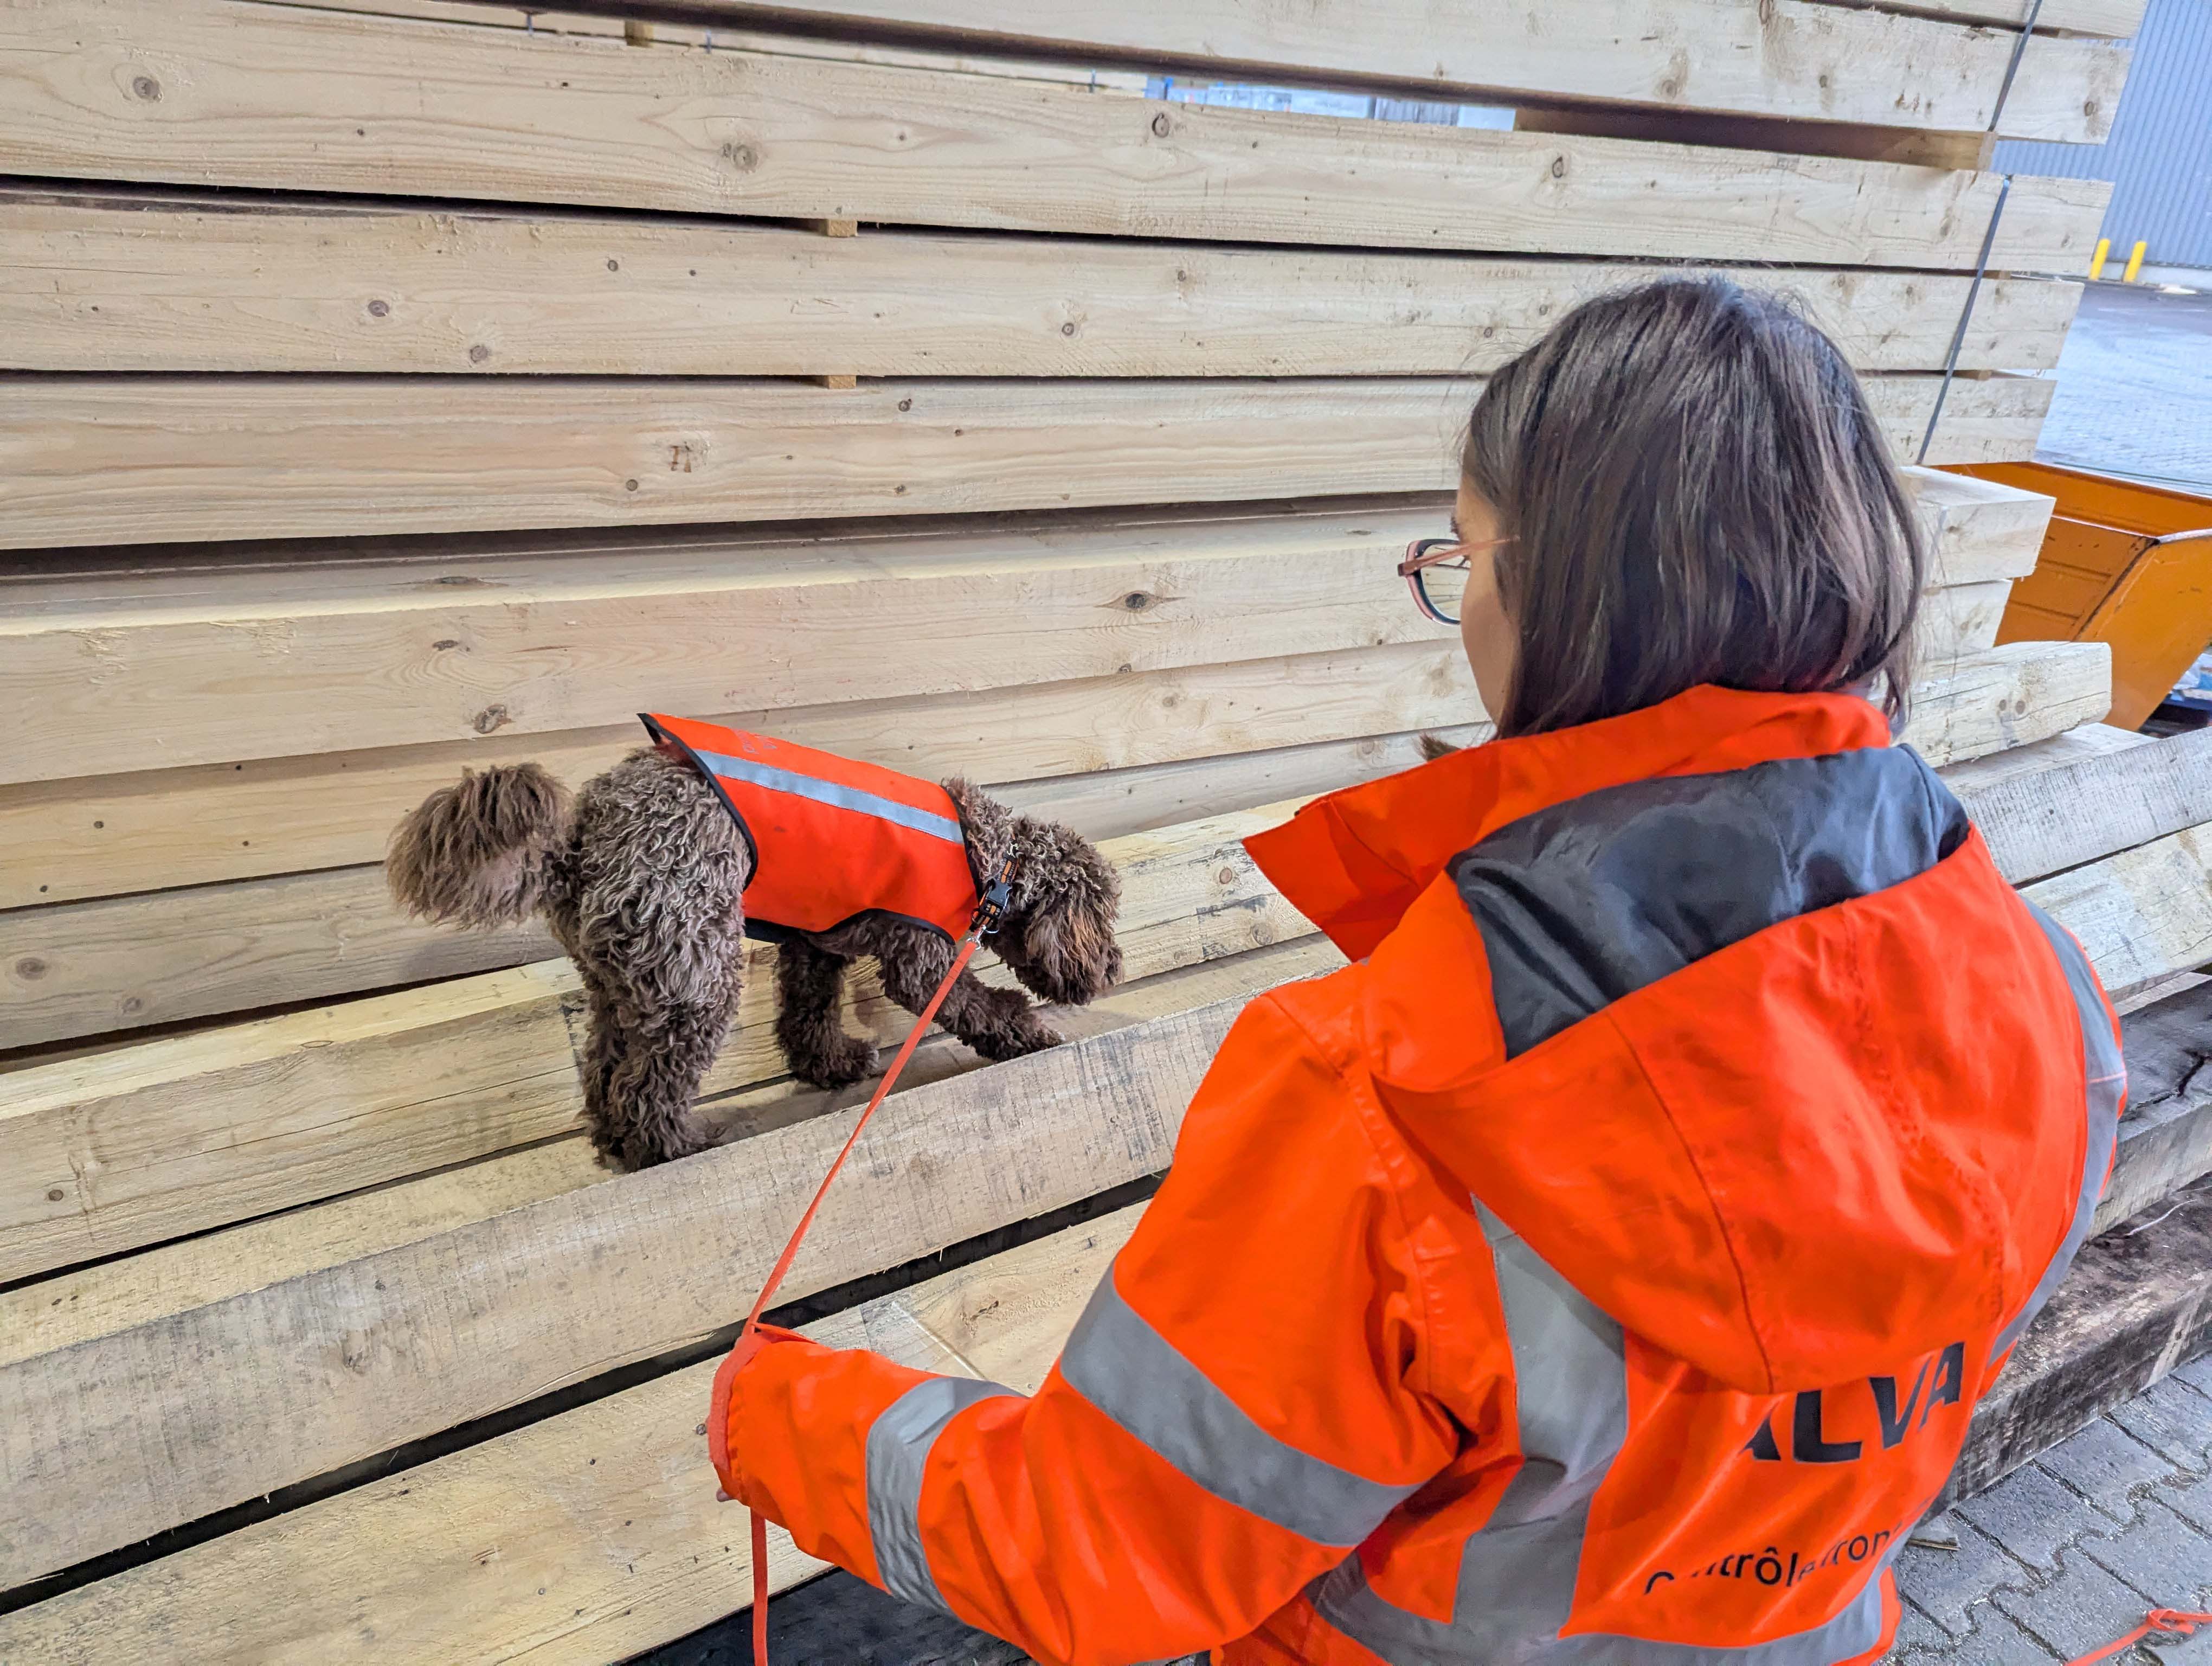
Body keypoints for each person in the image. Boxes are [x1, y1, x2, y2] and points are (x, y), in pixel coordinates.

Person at [704, 277, 2121, 1665]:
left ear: (1554, 592)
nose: (1463, 598)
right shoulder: (2051, 997)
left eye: (1463, 554)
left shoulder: (1386, 1094)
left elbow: (1094, 1549)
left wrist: (779, 1416)